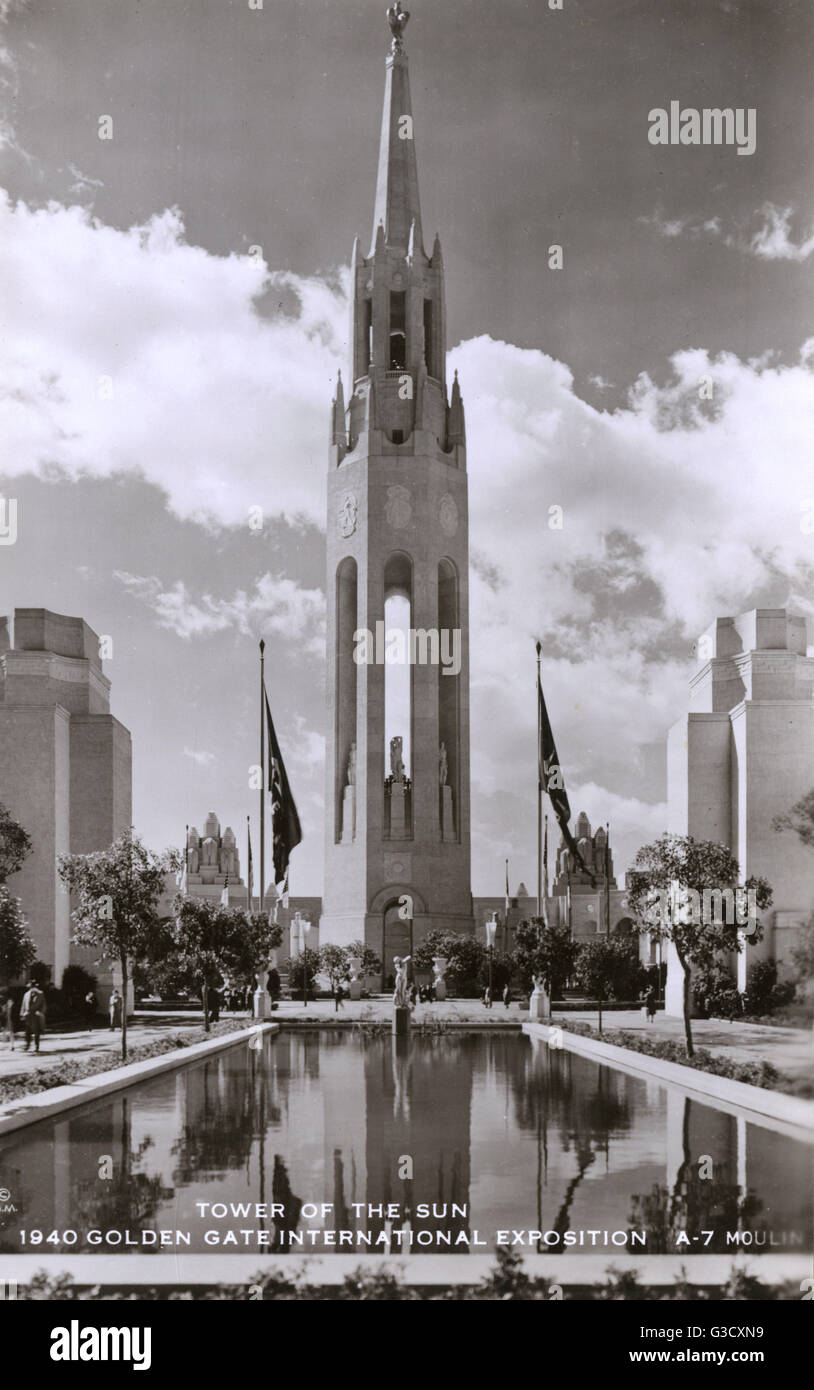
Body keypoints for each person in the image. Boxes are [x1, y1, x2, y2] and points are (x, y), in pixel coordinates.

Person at [20, 981, 46, 1053]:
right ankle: (27, 1045)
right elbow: (23, 1005)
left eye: (34, 987)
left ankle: (36, 1046)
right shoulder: (26, 994)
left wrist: (41, 1012)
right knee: (27, 1031)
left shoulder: (40, 994)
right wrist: (22, 1014)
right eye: (31, 987)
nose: (32, 988)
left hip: (36, 1015)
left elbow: (44, 1005)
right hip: (28, 1015)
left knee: (36, 1032)